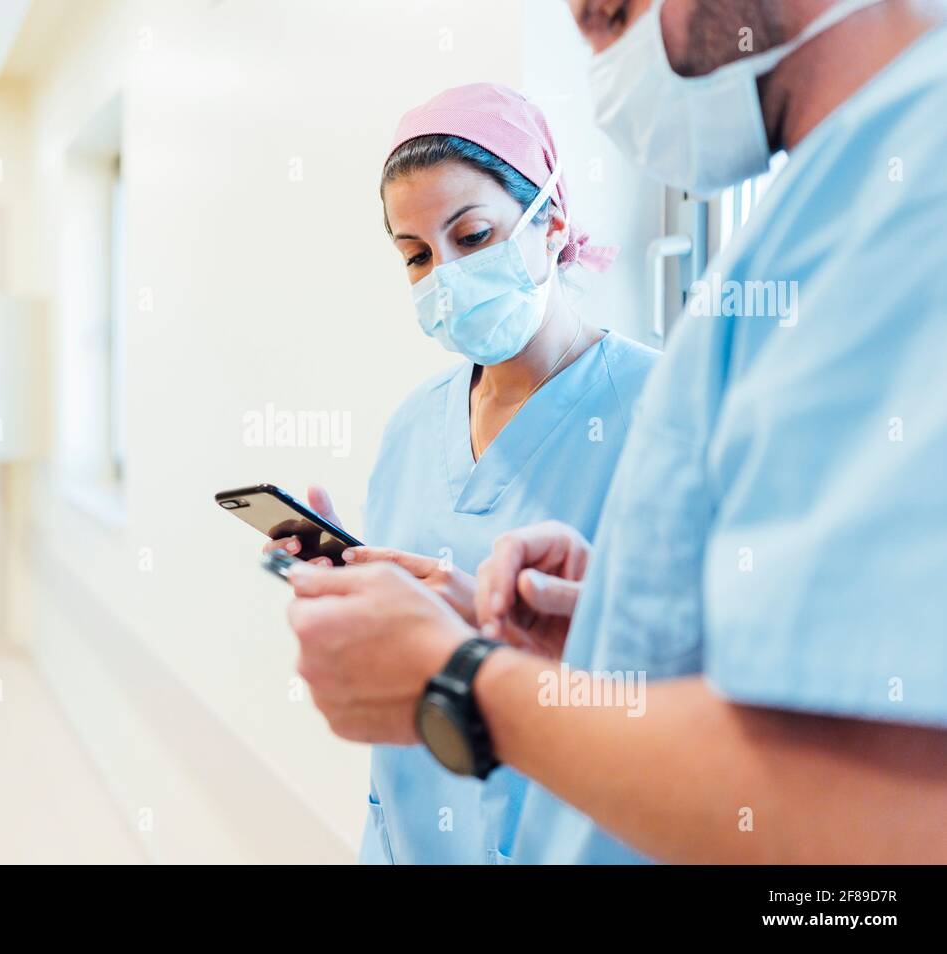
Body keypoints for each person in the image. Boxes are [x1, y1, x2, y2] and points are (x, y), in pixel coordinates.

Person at [284, 0, 947, 863]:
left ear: (549, 225)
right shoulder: (810, 217)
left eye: (614, 12)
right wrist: (590, 638)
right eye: (415, 253)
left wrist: (460, 680)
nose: (599, 44)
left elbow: (874, 815)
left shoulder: (906, 203)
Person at [266, 84, 657, 864]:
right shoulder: (416, 424)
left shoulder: (661, 411)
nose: (443, 273)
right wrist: (352, 588)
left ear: (550, 224)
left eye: (472, 236)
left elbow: (690, 684)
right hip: (408, 831)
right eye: (416, 255)